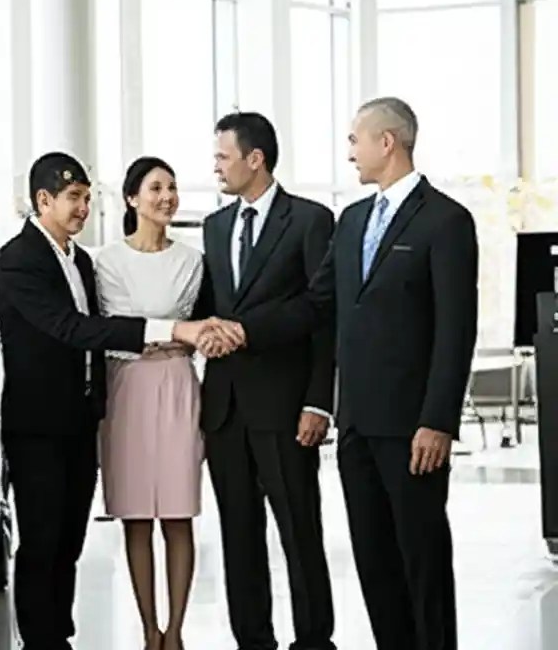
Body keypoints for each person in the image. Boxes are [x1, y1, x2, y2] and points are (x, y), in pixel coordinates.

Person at [221, 97, 479, 650]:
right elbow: (317, 304)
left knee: (423, 562)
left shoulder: (446, 221)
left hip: (413, 430)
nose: (349, 153)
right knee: (375, 564)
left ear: (387, 142)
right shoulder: (354, 219)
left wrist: (438, 420)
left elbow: (456, 332)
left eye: (354, 140)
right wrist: (246, 330)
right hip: (358, 427)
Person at [0, 151, 212, 650]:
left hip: (80, 420)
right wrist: (170, 330)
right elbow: (73, 329)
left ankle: (59, 632)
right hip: (38, 426)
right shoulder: (19, 259)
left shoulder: (80, 260)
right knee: (42, 540)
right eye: (73, 198)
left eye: (88, 199)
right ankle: (40, 640)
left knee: (69, 539)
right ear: (42, 199)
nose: (82, 209)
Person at [192, 111, 337, 650]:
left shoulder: (310, 221)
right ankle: (253, 640)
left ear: (255, 159)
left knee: (301, 532)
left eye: (223, 157)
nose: (216, 168)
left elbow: (324, 314)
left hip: (285, 406)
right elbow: (213, 307)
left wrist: (318, 402)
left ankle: (314, 641)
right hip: (225, 408)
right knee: (238, 535)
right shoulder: (215, 225)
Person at [94, 157, 204, 650]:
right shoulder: (106, 262)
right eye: (156, 187)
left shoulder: (193, 260)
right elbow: (117, 331)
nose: (167, 196)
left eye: (172, 187)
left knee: (179, 513)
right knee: (137, 516)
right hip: (127, 389)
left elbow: (156, 327)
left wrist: (152, 335)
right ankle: (148, 630)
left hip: (179, 385)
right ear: (132, 198)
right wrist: (164, 334)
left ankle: (176, 631)